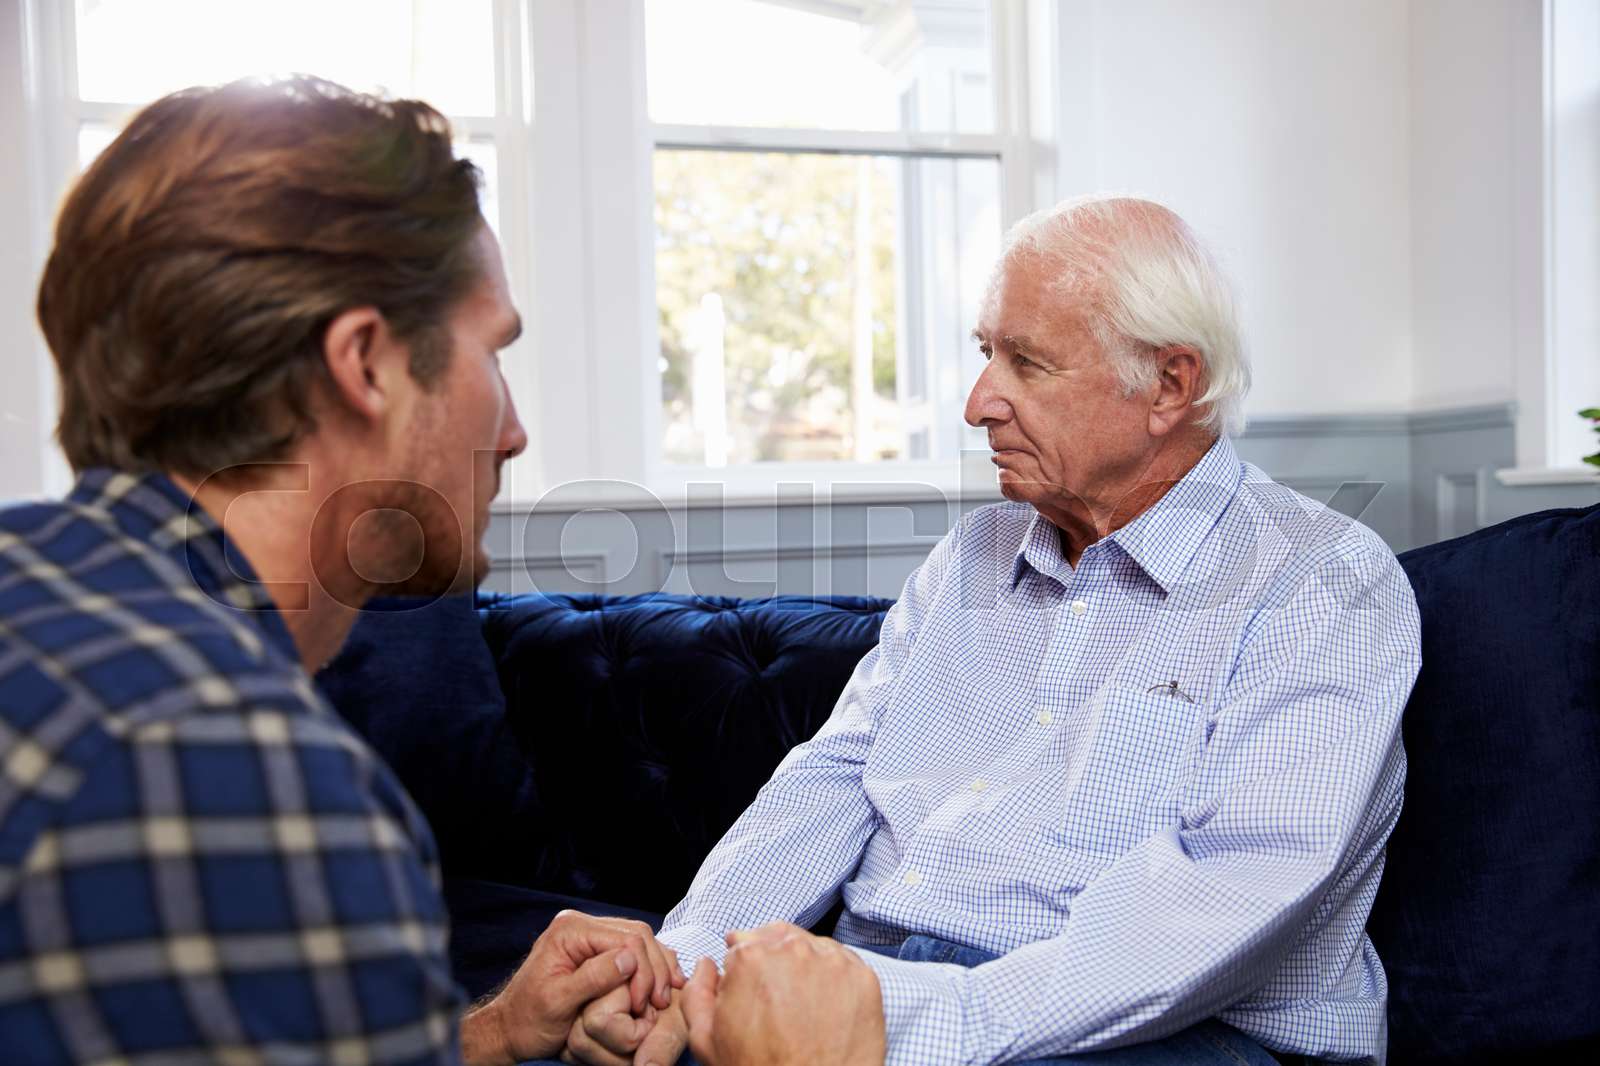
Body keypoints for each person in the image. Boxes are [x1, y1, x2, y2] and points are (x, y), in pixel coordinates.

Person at [563, 197, 1422, 1066]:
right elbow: (837, 776)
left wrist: (883, 1020)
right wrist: (686, 968)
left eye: (1028, 363)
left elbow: (1227, 895)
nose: (978, 404)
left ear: (1170, 385)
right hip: (889, 988)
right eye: (987, 355)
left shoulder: (1320, 581)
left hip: (1167, 1033)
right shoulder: (971, 556)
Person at [0, 76, 688, 1064]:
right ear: (365, 362)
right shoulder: (248, 773)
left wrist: (487, 1035)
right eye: (491, 353)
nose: (514, 429)